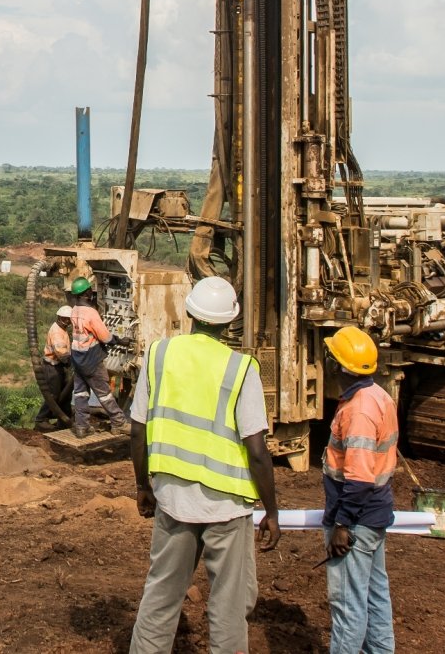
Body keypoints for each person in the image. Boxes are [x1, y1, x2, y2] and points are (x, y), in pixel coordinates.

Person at [128, 276, 279, 654]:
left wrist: (143, 486)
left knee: (160, 599)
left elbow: (137, 429)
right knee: (229, 609)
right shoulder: (241, 368)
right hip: (227, 508)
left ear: (190, 313)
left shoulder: (158, 355)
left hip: (174, 499)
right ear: (229, 323)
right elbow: (257, 449)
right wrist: (272, 510)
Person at [322, 325, 398, 654]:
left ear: (338, 367)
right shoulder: (377, 396)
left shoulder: (359, 411)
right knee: (375, 596)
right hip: (374, 515)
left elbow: (360, 476)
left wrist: (342, 525)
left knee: (348, 605)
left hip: (356, 520)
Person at [69, 275, 131, 438]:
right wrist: (120, 341)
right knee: (104, 393)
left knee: (81, 394)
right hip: (92, 359)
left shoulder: (74, 310)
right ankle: (119, 422)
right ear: (87, 293)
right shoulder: (91, 313)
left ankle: (81, 427)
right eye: (90, 290)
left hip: (77, 358)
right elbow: (105, 336)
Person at [34, 304, 73, 431]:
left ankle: (64, 419)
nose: (68, 321)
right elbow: (60, 351)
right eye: (66, 318)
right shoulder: (56, 331)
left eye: (69, 319)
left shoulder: (62, 329)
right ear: (61, 318)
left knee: (66, 393)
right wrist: (71, 360)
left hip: (58, 366)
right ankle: (41, 419)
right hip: (52, 366)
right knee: (53, 395)